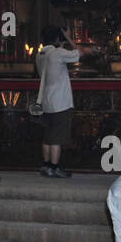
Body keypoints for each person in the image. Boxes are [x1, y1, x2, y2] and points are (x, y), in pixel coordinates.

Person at [34, 25, 85, 178]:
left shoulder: (40, 55)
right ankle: (55, 167)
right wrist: (69, 37)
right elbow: (80, 53)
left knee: (48, 136)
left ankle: (46, 165)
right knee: (57, 137)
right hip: (60, 101)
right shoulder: (57, 53)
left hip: (46, 101)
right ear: (57, 39)